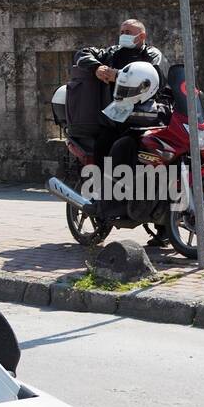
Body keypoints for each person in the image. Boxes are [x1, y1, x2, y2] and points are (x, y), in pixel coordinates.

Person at [73, 21, 170, 243]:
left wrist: (118, 76)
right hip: (117, 118)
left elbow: (157, 76)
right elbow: (82, 53)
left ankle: (163, 228)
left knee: (158, 167)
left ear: (142, 36)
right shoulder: (112, 52)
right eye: (122, 32)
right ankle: (102, 199)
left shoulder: (152, 54)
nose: (123, 35)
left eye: (129, 32)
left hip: (146, 119)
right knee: (104, 145)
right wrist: (96, 67)